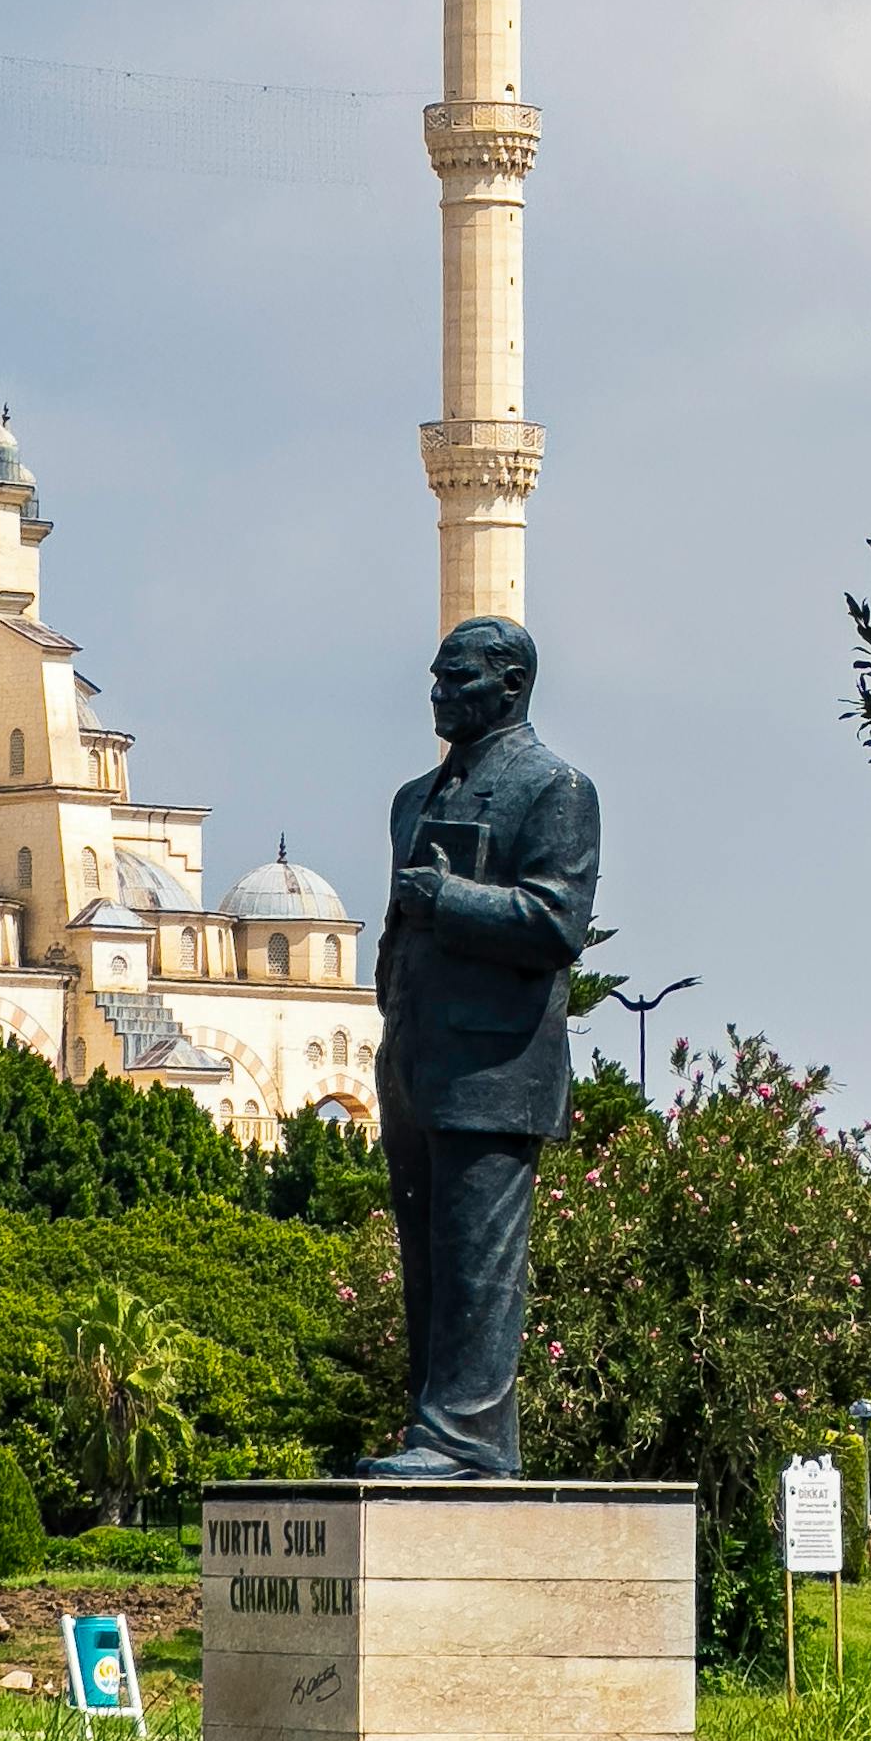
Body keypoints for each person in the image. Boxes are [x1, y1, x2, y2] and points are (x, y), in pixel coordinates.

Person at [365, 616, 600, 1480]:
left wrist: (450, 902)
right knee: (426, 1260)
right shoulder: (411, 799)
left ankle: (463, 1438)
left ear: (509, 685)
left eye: (456, 679)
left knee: (477, 1262)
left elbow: (555, 921)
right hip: (415, 1062)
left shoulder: (554, 789)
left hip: (495, 1070)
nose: (438, 694)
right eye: (435, 676)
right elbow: (396, 931)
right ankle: (434, 1428)